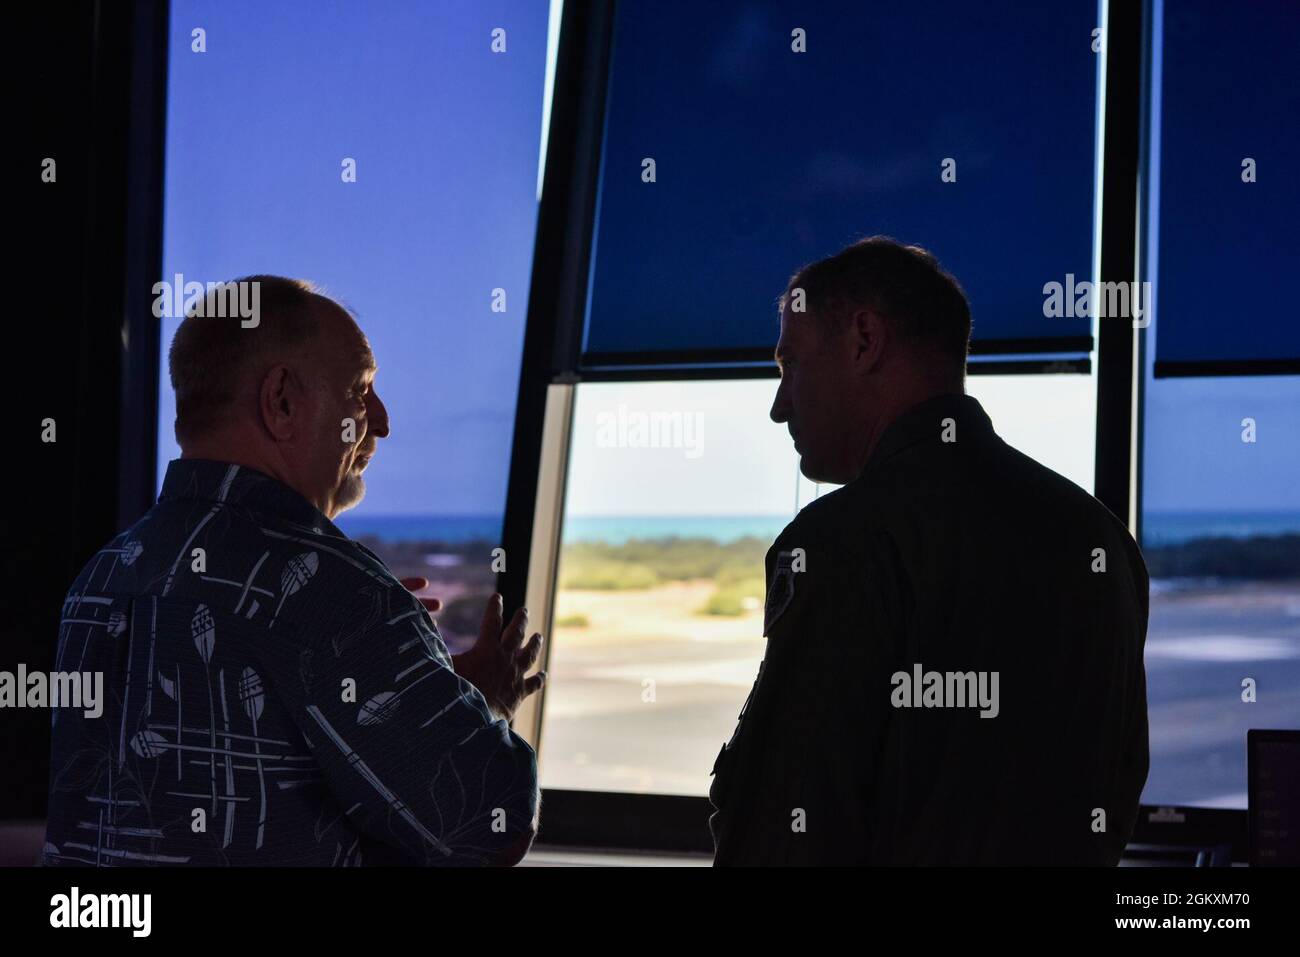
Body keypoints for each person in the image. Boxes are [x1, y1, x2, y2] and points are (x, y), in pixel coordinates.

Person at [44, 276, 544, 866]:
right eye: (362, 390)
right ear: (280, 401)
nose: (381, 422)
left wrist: (414, 691)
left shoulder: (99, 579)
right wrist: (480, 701)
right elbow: (492, 825)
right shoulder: (336, 591)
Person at [709, 237, 1149, 865]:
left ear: (865, 341)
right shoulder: (1103, 543)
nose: (780, 408)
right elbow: (1118, 784)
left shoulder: (843, 541)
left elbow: (783, 825)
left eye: (791, 365)